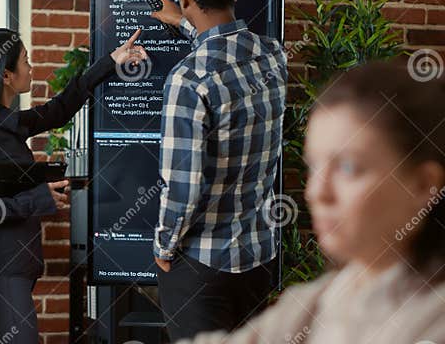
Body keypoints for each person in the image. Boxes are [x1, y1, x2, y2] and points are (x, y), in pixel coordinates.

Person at [179, 61, 445, 344]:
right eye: (314, 167)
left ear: (423, 184)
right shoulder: (316, 302)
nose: (317, 192)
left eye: (348, 168)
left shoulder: (432, 322)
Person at [0, 27, 146, 344]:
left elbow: (59, 109)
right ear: (6, 75)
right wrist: (37, 199)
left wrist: (111, 61)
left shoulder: (7, 122)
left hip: (17, 270)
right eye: (26, 60)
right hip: (0, 274)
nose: (31, 68)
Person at [149, 0, 287, 341]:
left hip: (199, 268)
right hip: (258, 259)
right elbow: (225, 52)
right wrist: (185, 22)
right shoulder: (274, 56)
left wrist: (163, 247)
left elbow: (183, 188)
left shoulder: (187, 79)